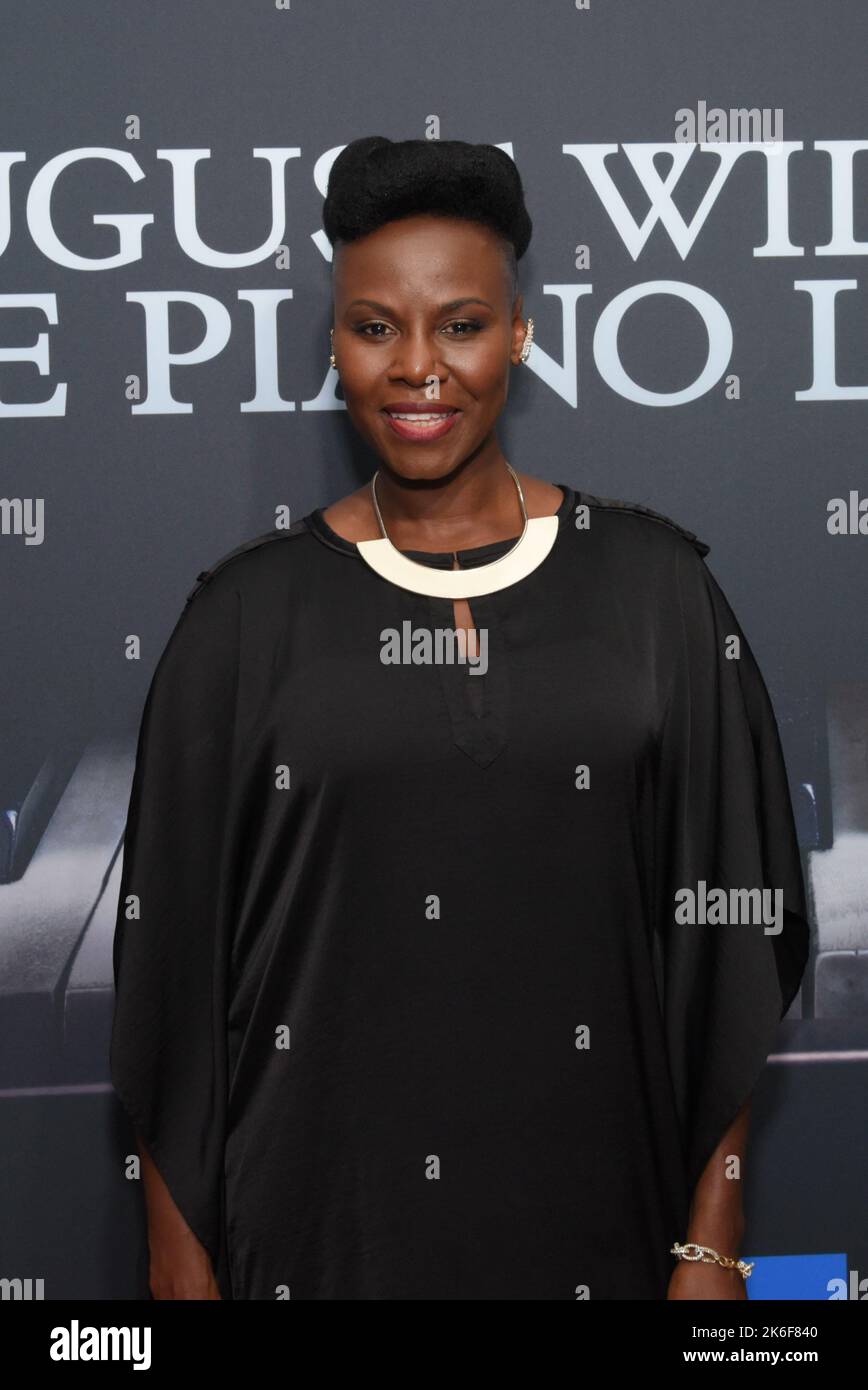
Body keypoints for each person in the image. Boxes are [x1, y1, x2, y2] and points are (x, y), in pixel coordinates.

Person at [110, 136, 810, 1301]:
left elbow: (726, 942)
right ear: (334, 348)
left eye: (461, 323)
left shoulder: (656, 590)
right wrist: (180, 1277)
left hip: (606, 1246)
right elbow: (168, 991)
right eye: (375, 327)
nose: (417, 367)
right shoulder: (239, 617)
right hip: (316, 1249)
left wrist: (710, 1244)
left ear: (521, 336)